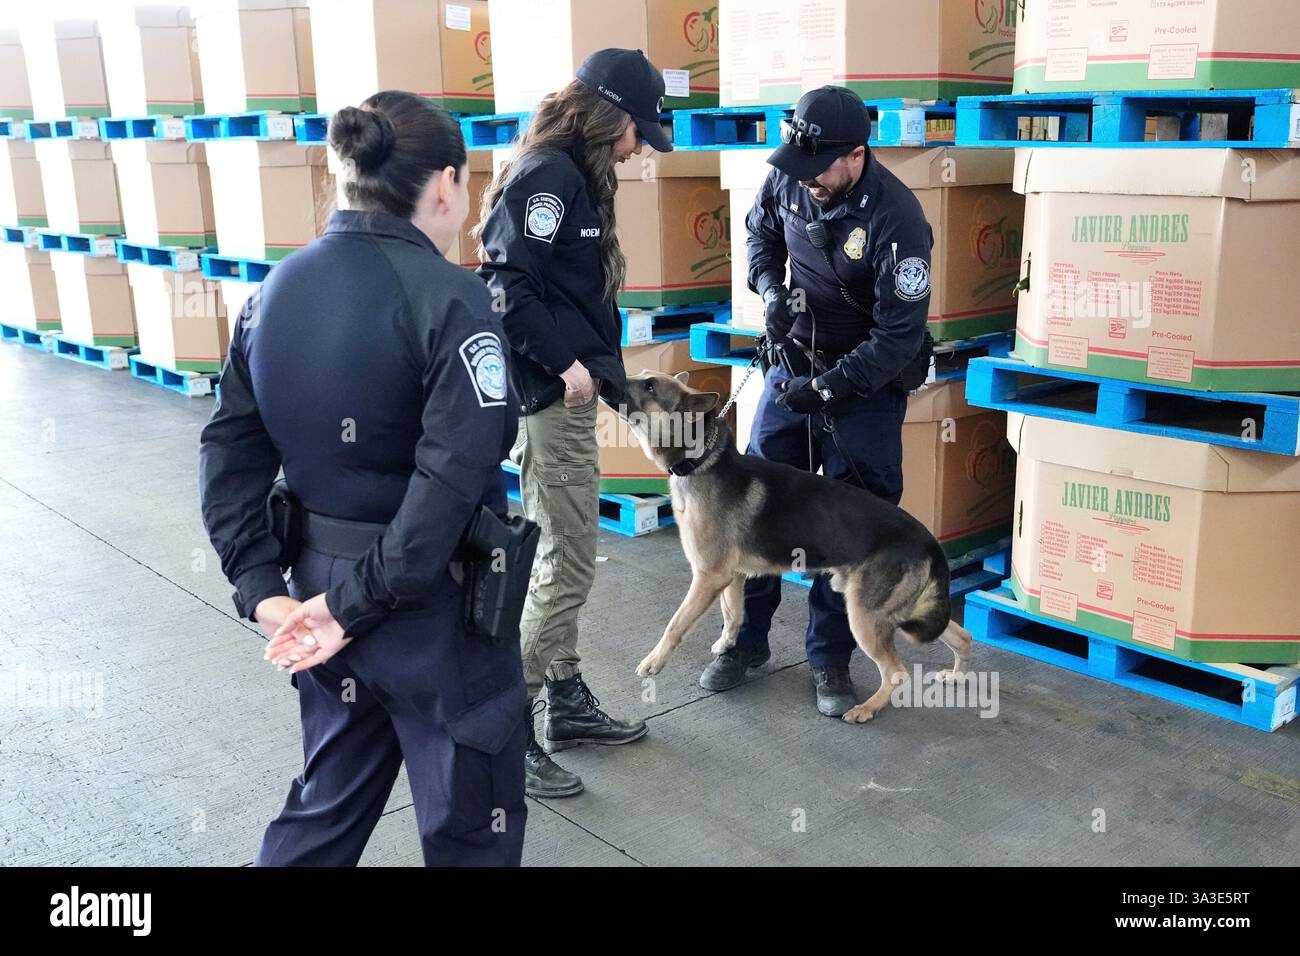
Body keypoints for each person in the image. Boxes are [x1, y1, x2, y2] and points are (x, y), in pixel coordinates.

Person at [199, 91, 527, 866]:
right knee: (469, 827)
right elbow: (451, 478)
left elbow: (228, 452)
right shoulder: (453, 299)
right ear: (444, 184)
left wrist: (262, 586)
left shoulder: (272, 293)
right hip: (433, 613)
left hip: (315, 600)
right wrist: (351, 605)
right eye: (467, 185)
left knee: (325, 808)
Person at [697, 86, 935, 717]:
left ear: (856, 156)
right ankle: (744, 642)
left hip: (866, 386)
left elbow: (898, 337)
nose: (806, 181)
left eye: (820, 169)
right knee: (753, 507)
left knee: (851, 525)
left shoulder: (898, 220)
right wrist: (770, 291)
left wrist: (828, 389)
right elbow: (760, 237)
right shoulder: (791, 178)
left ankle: (830, 656)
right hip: (792, 358)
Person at [473, 48, 672, 798]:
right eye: (634, 132)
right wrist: (566, 365)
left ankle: (565, 701)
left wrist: (606, 378)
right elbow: (505, 288)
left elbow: (570, 294)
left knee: (565, 554)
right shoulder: (547, 175)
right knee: (568, 562)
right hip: (550, 400)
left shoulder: (574, 173)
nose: (636, 148)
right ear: (607, 116)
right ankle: (509, 730)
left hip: (572, 394)